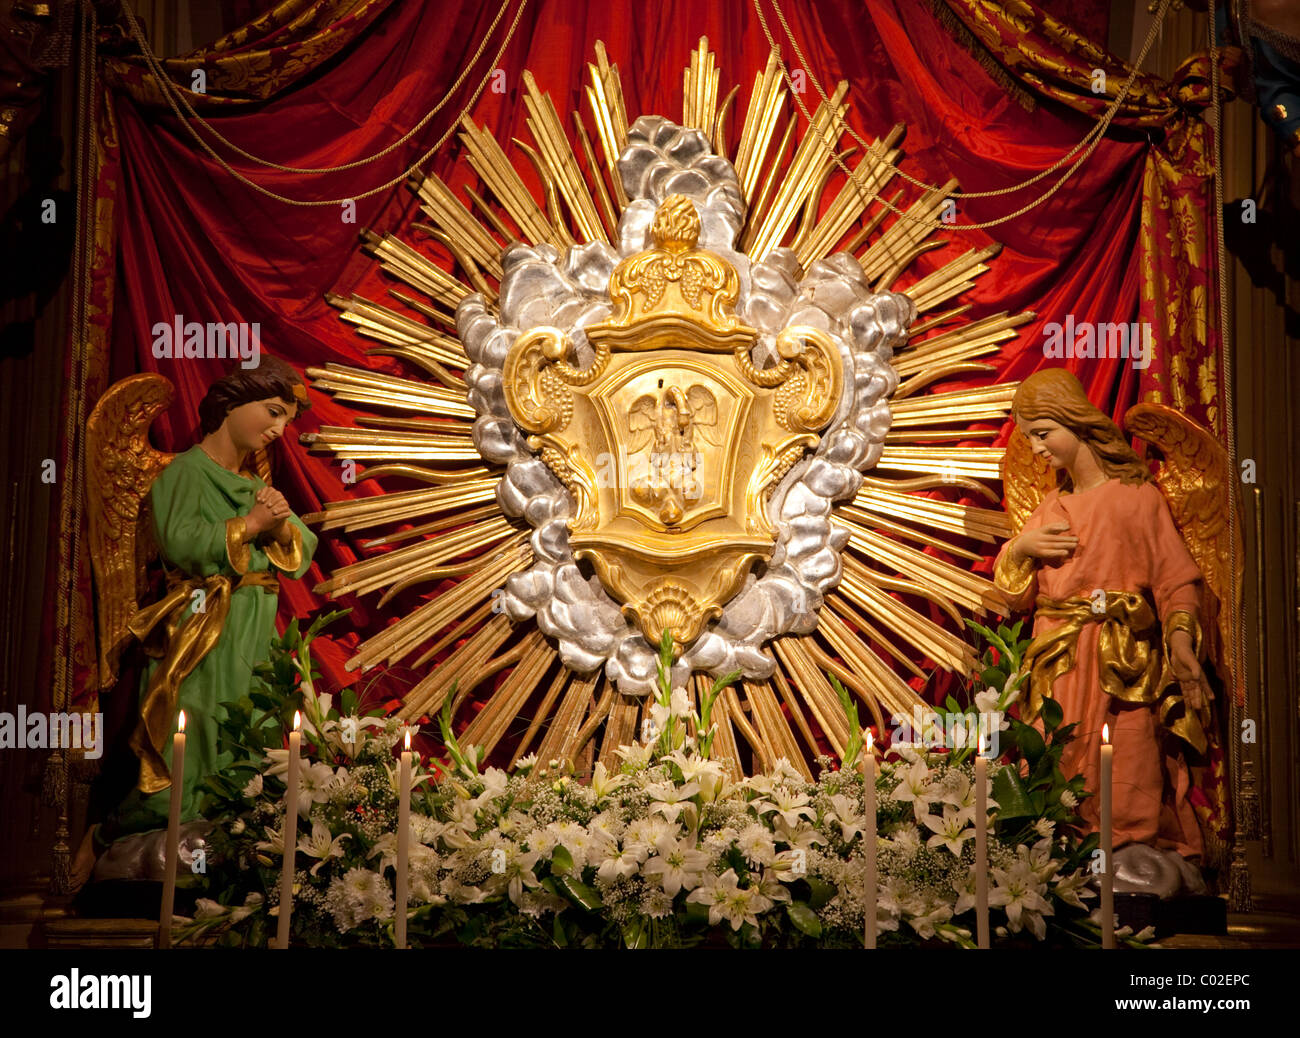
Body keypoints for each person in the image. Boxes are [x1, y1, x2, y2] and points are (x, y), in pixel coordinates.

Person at [73, 357, 318, 887]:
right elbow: (181, 542)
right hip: (202, 623)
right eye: (273, 412)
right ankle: (152, 827)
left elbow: (302, 551)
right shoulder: (185, 472)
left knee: (249, 723)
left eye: (287, 421)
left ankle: (230, 830)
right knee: (199, 716)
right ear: (230, 404)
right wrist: (251, 524)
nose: (278, 430)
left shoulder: (254, 481)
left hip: (253, 623)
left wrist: (273, 525)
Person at [993, 368, 1210, 862]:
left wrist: (1179, 644)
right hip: (1058, 661)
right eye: (1030, 439)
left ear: (1077, 421)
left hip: (1122, 656)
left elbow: (1177, 581)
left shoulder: (1136, 498)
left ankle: (1128, 849)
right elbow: (1015, 600)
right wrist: (1020, 548)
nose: (1039, 449)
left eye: (1044, 434)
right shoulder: (1050, 506)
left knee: (1128, 754)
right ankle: (1062, 856)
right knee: (1061, 756)